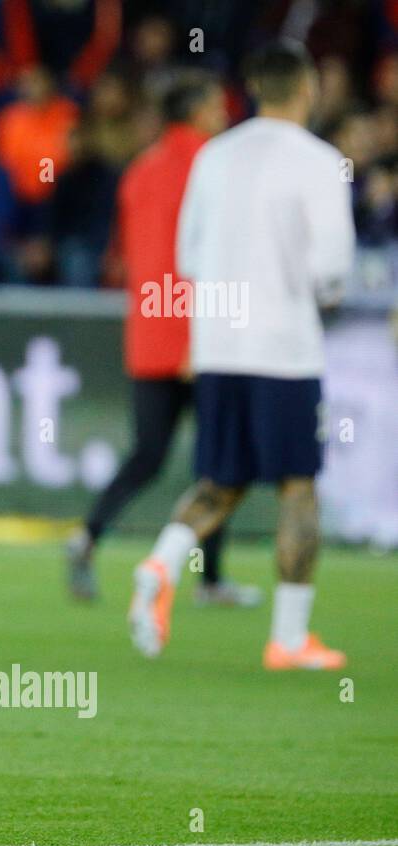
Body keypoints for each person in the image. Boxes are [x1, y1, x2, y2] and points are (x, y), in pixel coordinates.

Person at [128, 42, 355, 670]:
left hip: (219, 344)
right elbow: (332, 269)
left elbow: (189, 258)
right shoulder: (320, 161)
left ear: (253, 89)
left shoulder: (214, 157)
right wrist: (318, 294)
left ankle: (161, 562)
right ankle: (288, 638)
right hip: (283, 348)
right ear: (306, 89)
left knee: (221, 480)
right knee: (297, 485)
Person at [67, 71, 260, 608]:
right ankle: (211, 579)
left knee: (148, 456)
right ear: (197, 113)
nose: (224, 117)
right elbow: (218, 254)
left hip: (149, 334)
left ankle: (87, 535)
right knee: (216, 463)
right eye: (217, 109)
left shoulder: (140, 169)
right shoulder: (217, 166)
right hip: (201, 334)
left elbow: (124, 254)